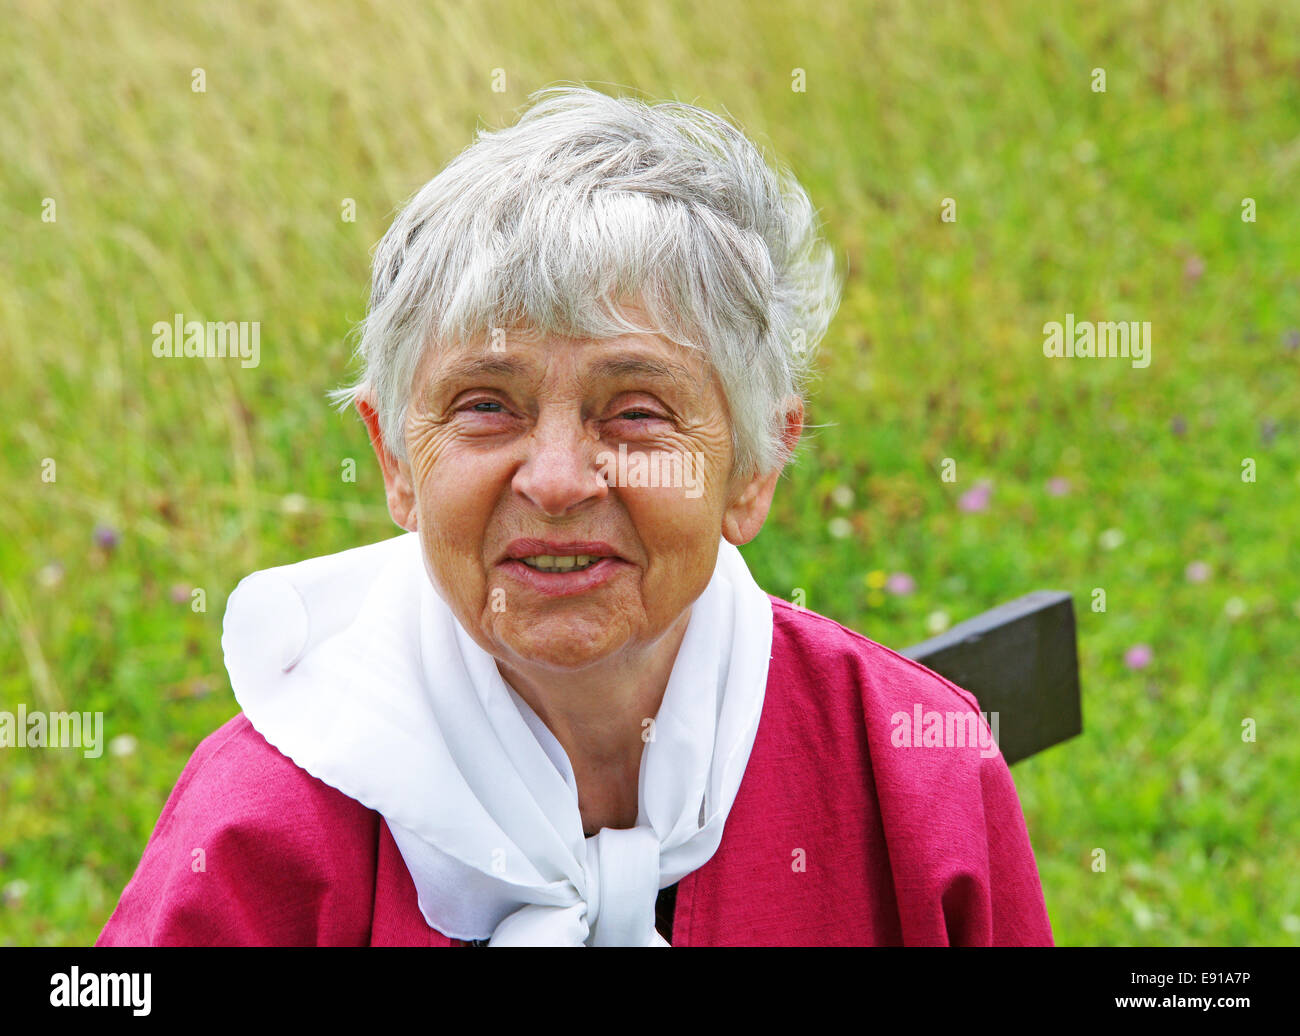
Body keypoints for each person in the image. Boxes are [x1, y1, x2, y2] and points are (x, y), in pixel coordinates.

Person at [97, 85, 1053, 946]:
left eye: (636, 409)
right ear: (394, 459)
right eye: (485, 405)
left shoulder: (915, 772)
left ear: (756, 465)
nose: (555, 482)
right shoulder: (258, 832)